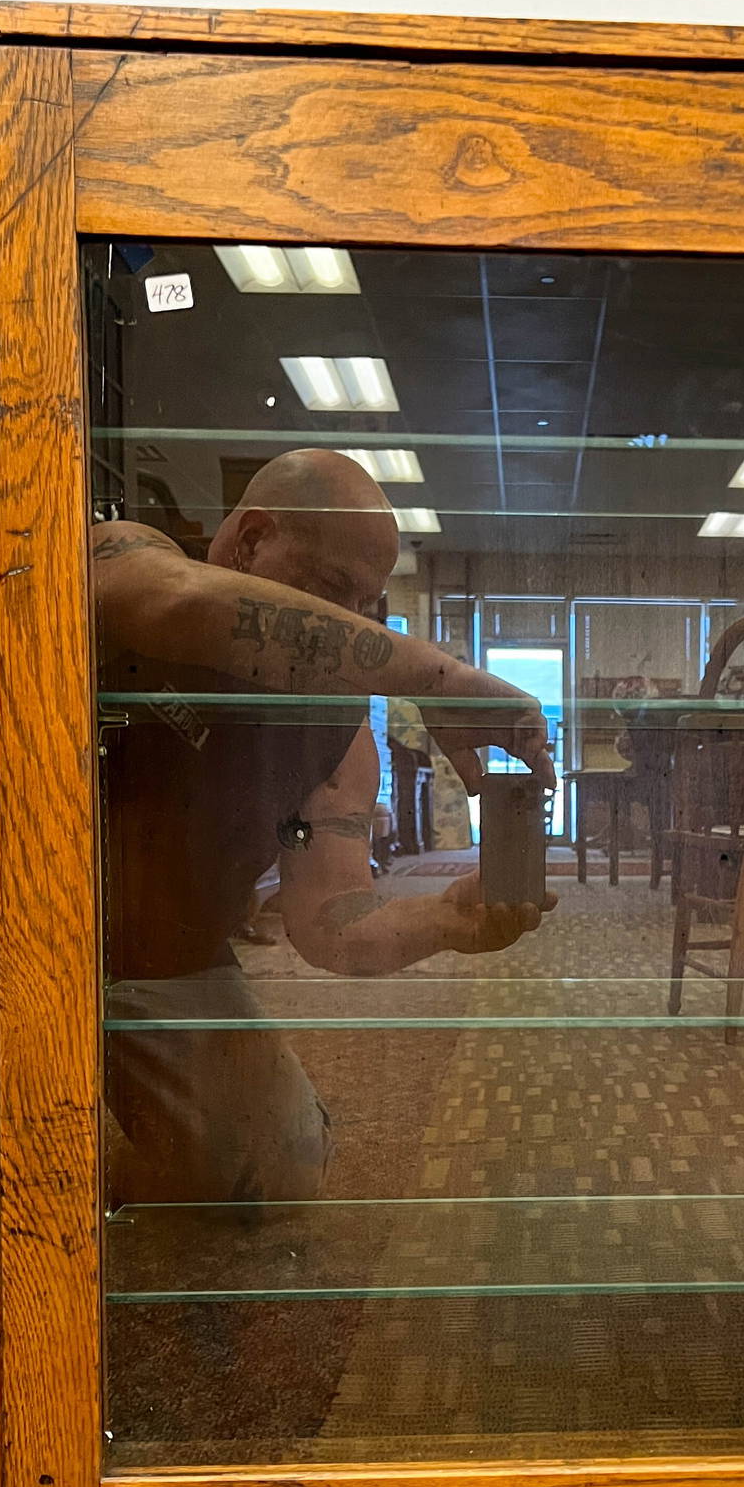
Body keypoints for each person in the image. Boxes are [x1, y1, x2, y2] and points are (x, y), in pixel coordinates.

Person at [93, 449, 557, 1205]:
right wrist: (439, 678)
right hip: (9, 939)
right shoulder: (129, 558)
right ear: (249, 541)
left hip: (165, 962)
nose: (349, 623)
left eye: (364, 605)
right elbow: (173, 600)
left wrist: (445, 919)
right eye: (332, 590)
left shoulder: (338, 732)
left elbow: (328, 921)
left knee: (284, 1170)